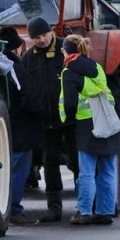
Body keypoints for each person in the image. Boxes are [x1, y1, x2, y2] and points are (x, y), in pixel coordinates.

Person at [61, 34, 118, 225]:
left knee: (87, 171)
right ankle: (106, 211)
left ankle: (84, 212)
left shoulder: (68, 72)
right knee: (108, 170)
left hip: (86, 125)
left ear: (65, 51)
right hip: (108, 122)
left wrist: (68, 120)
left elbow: (69, 103)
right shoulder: (98, 68)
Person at [0, 23, 47, 225]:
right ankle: (14, 209)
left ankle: (3, 206)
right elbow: (29, 97)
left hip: (1, 129)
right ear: (16, 46)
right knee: (17, 170)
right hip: (20, 131)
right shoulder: (14, 67)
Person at [25, 16, 73, 223]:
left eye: (43, 35)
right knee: (50, 163)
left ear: (51, 32)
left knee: (78, 160)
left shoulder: (66, 49)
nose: (41, 40)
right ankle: (54, 207)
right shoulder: (29, 58)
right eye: (36, 38)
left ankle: (87, 205)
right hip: (46, 120)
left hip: (70, 118)